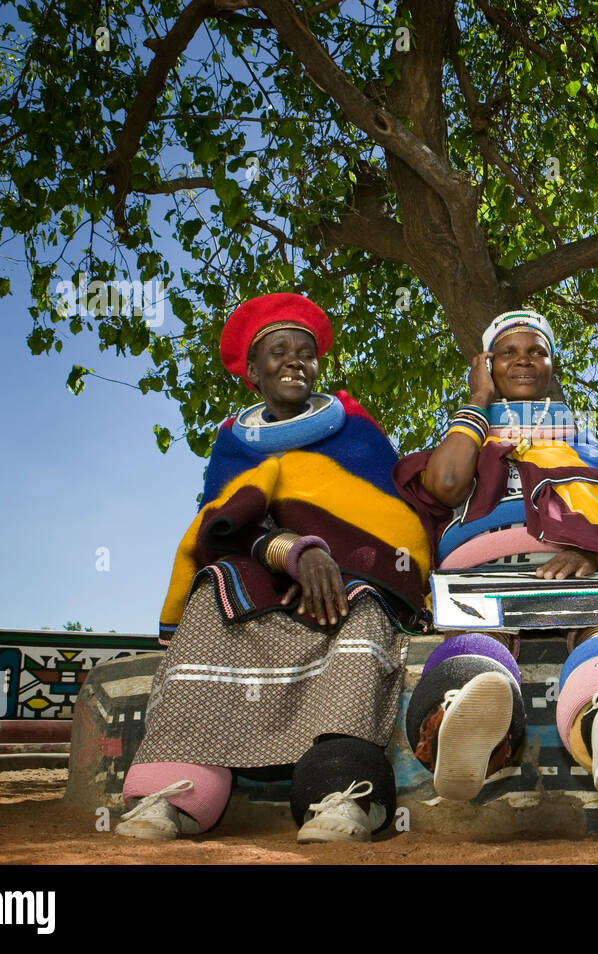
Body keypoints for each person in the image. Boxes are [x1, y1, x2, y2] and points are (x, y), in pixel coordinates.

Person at [116, 293, 432, 843]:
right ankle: (174, 793)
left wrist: (337, 557)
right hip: (266, 561)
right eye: (278, 351)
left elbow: (388, 517)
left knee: (363, 606)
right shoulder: (232, 443)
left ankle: (342, 791)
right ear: (253, 373)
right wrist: (290, 549)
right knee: (216, 590)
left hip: (357, 571)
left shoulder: (358, 429)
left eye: (305, 352)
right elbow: (222, 519)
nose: (294, 360)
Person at [394, 310, 598, 801]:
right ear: (487, 364)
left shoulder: (583, 441)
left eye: (537, 352)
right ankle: (458, 724)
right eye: (508, 353)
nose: (524, 361)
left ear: (552, 366)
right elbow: (444, 485)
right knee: (478, 632)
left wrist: (589, 553)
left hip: (571, 568)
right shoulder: (468, 432)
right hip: (480, 571)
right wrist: (477, 401)